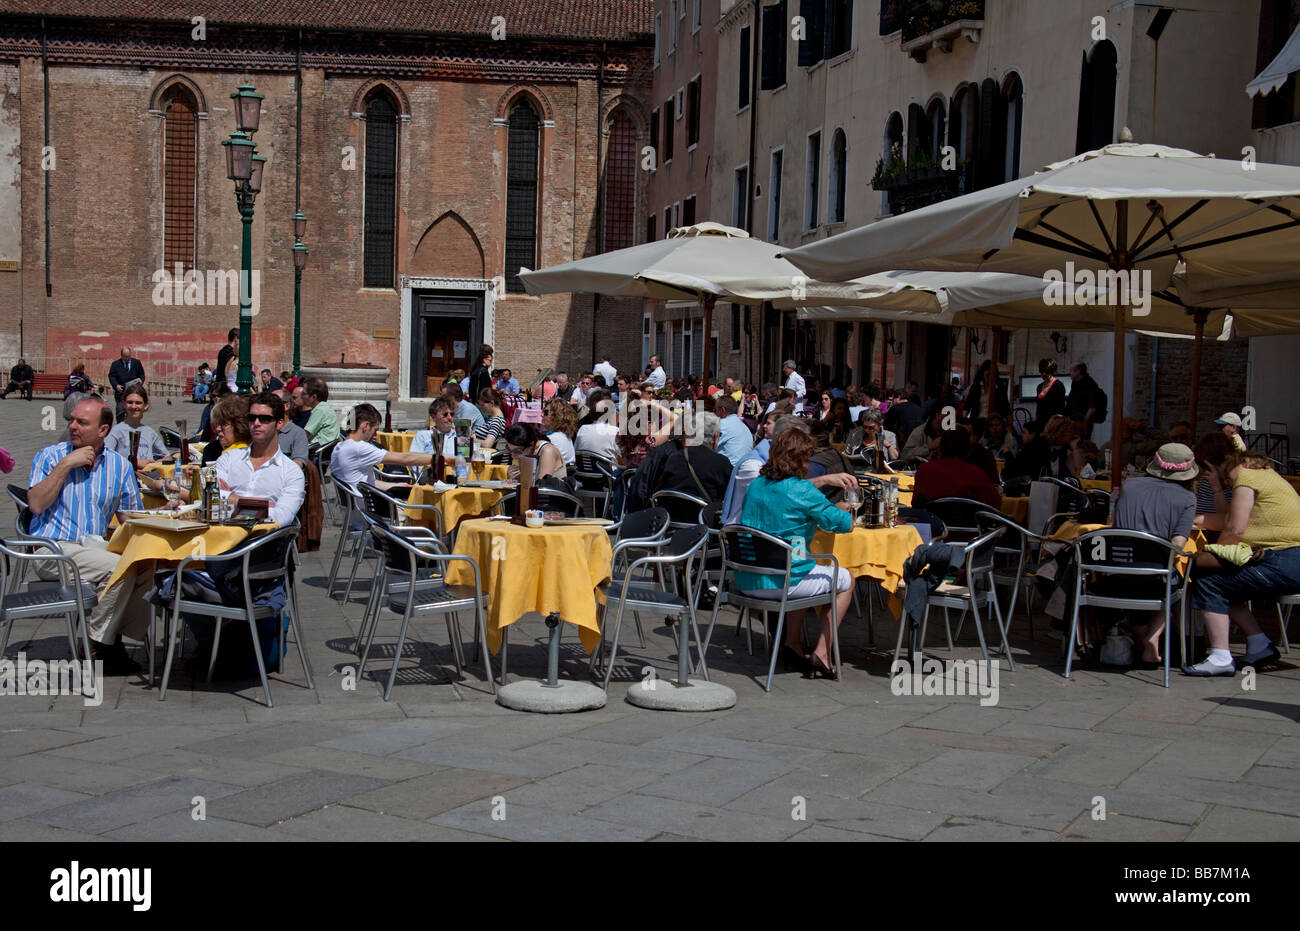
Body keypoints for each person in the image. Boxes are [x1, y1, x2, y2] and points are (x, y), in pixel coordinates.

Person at [26, 397, 147, 673]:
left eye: (82, 422)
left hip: (95, 549)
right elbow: (36, 505)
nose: (73, 427)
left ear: (103, 430)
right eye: (72, 420)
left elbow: (131, 519)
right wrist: (66, 465)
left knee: (148, 566)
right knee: (120, 568)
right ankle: (95, 642)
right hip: (53, 550)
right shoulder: (50, 456)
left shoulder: (119, 466)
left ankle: (110, 635)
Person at [736, 427, 854, 678]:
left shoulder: (756, 485)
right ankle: (822, 652)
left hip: (746, 577)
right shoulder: (802, 490)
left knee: (799, 560)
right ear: (801, 458)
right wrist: (844, 509)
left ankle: (792, 643)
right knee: (845, 580)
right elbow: (843, 524)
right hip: (783, 580)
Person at [1186, 450, 1300, 675]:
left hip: (1283, 560)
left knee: (1209, 581)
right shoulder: (1269, 476)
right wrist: (1190, 518)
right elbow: (1228, 519)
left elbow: (1234, 529)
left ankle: (1220, 657)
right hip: (1288, 559)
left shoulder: (1246, 478)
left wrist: (1217, 554)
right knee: (1229, 583)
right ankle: (1259, 644)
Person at [1103, 443, 1198, 668]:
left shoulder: (1130, 485)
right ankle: (1153, 638)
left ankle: (1143, 645)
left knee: (1140, 582)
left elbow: (1114, 523)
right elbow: (1178, 543)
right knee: (1173, 579)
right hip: (1156, 578)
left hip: (1116, 575)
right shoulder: (1187, 499)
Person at [630, 411, 733, 509]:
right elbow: (732, 496)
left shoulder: (671, 456)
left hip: (669, 519)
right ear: (714, 437)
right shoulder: (721, 463)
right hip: (703, 523)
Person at [330, 403, 434, 493]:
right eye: (375, 430)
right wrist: (441, 458)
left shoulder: (339, 447)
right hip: (367, 511)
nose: (375, 436)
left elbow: (363, 482)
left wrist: (395, 485)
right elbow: (405, 458)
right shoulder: (359, 448)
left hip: (354, 509)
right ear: (365, 426)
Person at [913, 430, 1002, 509]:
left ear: (940, 448)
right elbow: (995, 504)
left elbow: (916, 503)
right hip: (969, 525)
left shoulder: (925, 470)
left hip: (932, 525)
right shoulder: (975, 473)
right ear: (968, 450)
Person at [104, 385, 169, 483]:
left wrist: (155, 464)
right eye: (130, 402)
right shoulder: (117, 431)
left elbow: (167, 457)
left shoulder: (149, 432)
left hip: (149, 481)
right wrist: (136, 462)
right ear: (124, 404)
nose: (134, 406)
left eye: (138, 403)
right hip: (126, 480)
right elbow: (105, 458)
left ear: (145, 405)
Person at [1192, 431, 1233, 531]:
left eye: (1203, 465)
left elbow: (1229, 520)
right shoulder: (1205, 482)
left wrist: (1216, 488)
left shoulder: (1235, 483)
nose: (1203, 469)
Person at [201, 394, 252, 465]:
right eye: (217, 423)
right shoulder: (210, 449)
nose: (218, 429)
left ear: (239, 425)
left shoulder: (250, 452)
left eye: (224, 424)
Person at [1064, 361, 1106, 438]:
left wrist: (1084, 421)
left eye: (1071, 370)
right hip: (1073, 420)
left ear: (1078, 371)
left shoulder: (1089, 384)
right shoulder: (1075, 383)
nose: (1070, 373)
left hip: (1082, 423)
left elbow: (1092, 406)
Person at [575, 397, 621, 463]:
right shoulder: (615, 431)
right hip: (608, 472)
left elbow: (576, 450)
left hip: (583, 471)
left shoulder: (582, 429)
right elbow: (621, 455)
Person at [108, 347, 146, 421]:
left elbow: (142, 374)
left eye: (129, 356)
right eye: (125, 357)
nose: (127, 358)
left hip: (134, 391)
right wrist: (116, 385)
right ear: (121, 355)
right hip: (121, 392)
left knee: (134, 411)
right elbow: (111, 376)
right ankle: (121, 427)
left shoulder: (136, 362)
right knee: (120, 412)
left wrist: (141, 380)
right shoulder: (115, 364)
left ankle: (133, 425)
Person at [714, 395, 754, 466]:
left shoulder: (722, 424)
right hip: (743, 468)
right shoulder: (744, 426)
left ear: (722, 410)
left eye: (715, 410)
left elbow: (705, 447)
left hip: (729, 471)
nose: (714, 413)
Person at [300, 376, 341, 445]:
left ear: (314, 397)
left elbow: (305, 435)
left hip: (317, 452)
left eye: (303, 393)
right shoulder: (324, 408)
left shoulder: (320, 410)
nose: (301, 396)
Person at [272, 389, 310, 463]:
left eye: (273, 403)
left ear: (287, 406)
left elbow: (299, 462)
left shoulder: (298, 433)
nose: (267, 406)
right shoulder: (264, 430)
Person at [543, 398, 578, 469]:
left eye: (545, 412)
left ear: (556, 416)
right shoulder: (565, 436)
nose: (541, 415)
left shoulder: (551, 440)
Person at [1034, 358, 1066, 428]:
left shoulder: (1058, 385)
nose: (1044, 374)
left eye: (1046, 372)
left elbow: (1061, 408)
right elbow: (1038, 407)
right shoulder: (1039, 387)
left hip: (1053, 423)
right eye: (1042, 372)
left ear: (1052, 371)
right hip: (1040, 421)